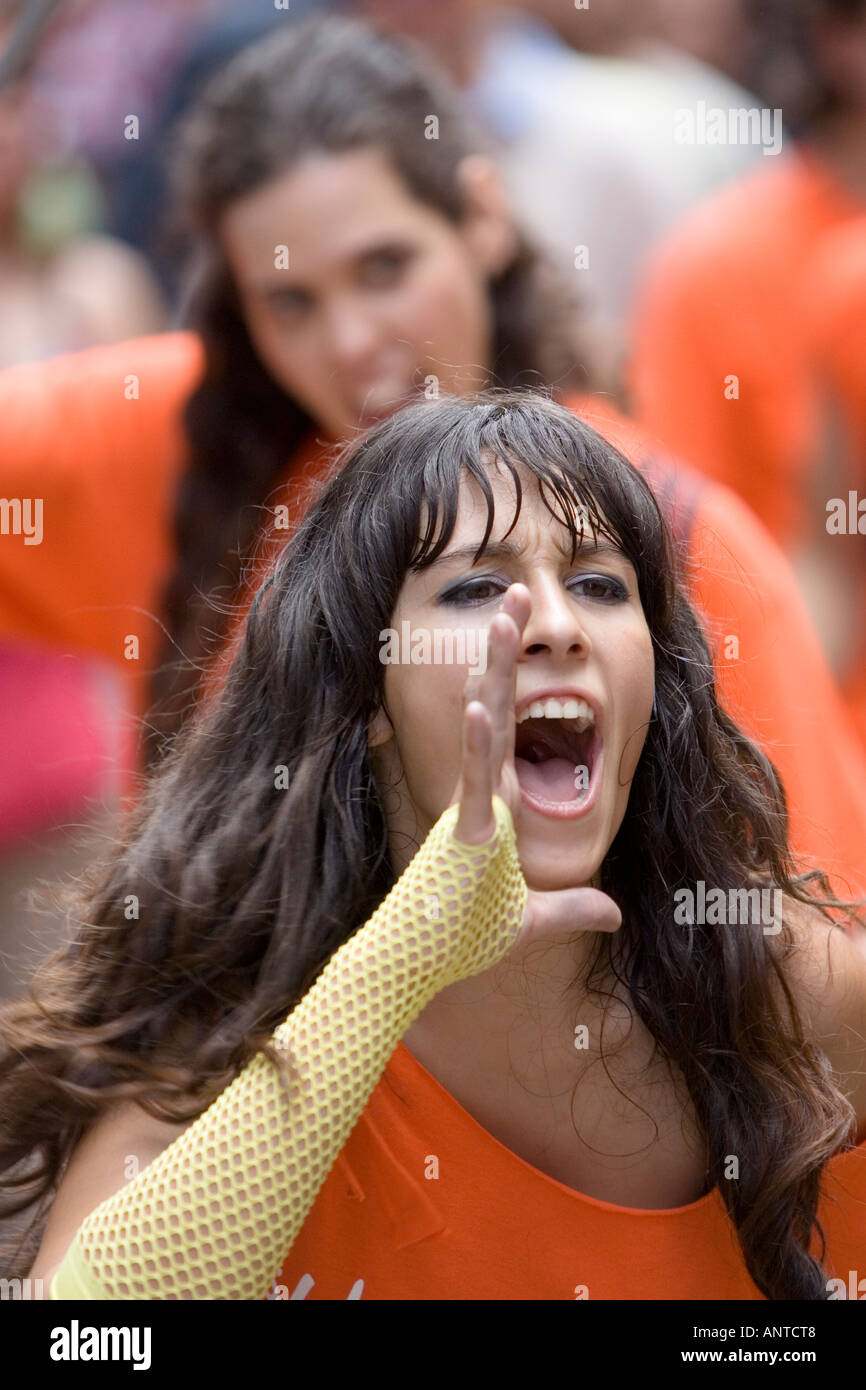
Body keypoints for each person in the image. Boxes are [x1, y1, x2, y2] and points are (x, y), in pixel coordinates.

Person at [3, 394, 865, 1300]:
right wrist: (397, 963)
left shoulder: (770, 990)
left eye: (601, 585)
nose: (555, 624)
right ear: (366, 692)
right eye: (477, 588)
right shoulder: (220, 1040)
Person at [0, 14, 865, 904]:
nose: (350, 341)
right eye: (290, 301)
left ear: (481, 218)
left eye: (385, 268)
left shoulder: (671, 534)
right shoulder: (206, 444)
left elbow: (824, 951)